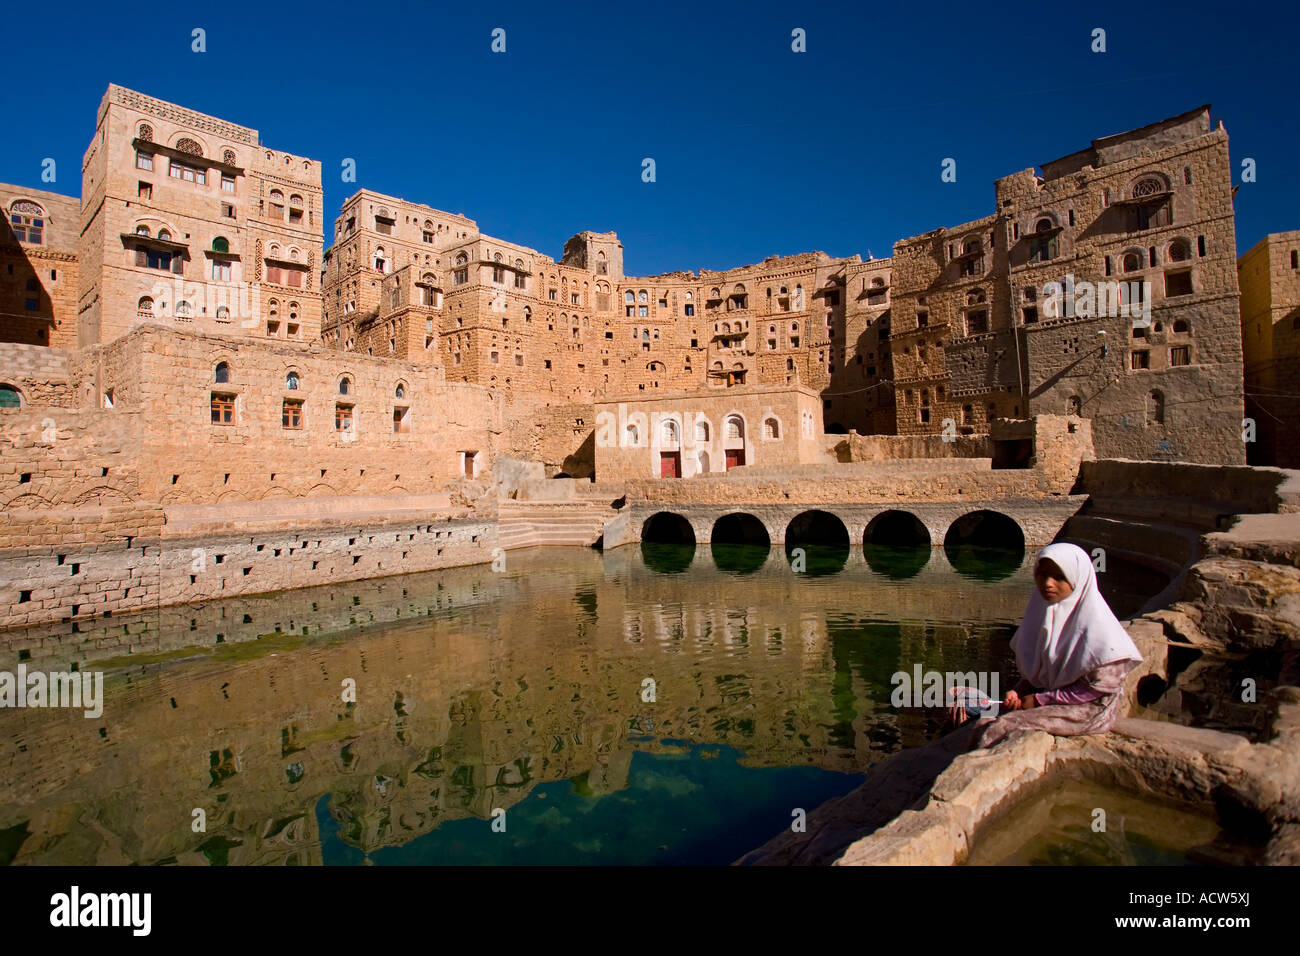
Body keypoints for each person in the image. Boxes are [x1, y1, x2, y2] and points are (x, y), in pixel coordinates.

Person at [955, 542, 1144, 749]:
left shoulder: (1099, 630)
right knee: (981, 718)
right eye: (1042, 575)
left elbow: (1095, 690)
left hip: (1089, 709)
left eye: (1059, 577)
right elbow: (1040, 670)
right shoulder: (1042, 615)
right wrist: (1020, 690)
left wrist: (1038, 700)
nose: (1047, 583)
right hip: (1050, 695)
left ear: (1078, 579)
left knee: (1001, 727)